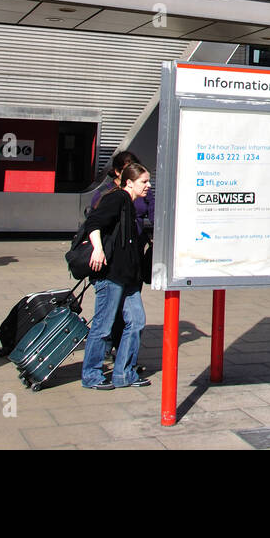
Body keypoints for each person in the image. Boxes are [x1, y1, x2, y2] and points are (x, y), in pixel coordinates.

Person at [80, 162, 151, 389]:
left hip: (128, 277)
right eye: (144, 181)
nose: (148, 186)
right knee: (103, 326)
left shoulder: (130, 204)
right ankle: (91, 376)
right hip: (111, 275)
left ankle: (124, 374)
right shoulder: (117, 198)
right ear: (129, 182)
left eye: (148, 181)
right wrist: (98, 249)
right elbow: (93, 222)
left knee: (137, 321)